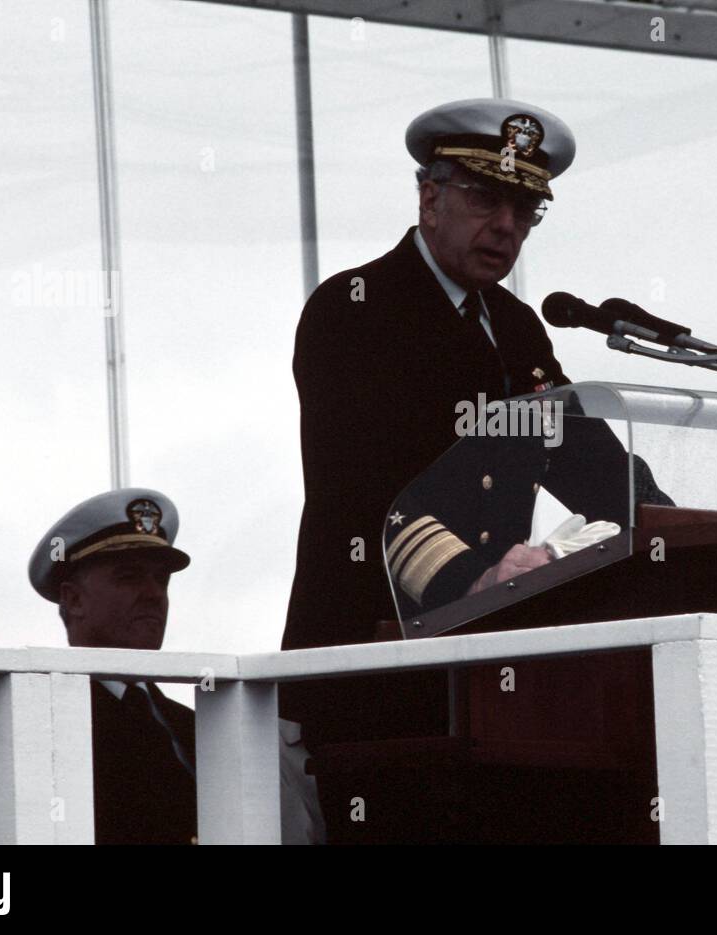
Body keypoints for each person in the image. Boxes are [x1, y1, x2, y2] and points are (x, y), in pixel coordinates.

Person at [283, 98, 670, 842]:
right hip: (378, 676)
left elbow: (589, 461)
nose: (507, 226)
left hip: (498, 678)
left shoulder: (518, 329)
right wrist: (474, 584)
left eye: (526, 210)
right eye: (486, 198)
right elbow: (364, 493)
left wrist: (670, 524)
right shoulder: (353, 310)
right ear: (429, 197)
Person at [29, 488, 198, 844]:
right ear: (73, 599)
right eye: (130, 577)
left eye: (161, 579)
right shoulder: (41, 730)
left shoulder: (191, 726)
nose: (154, 594)